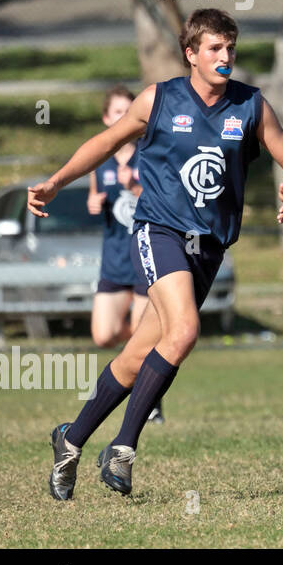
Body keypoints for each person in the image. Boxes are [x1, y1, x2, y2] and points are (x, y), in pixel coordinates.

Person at [35, 8, 283, 501]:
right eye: (215, 48)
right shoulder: (158, 99)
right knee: (183, 331)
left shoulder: (251, 105)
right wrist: (57, 181)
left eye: (230, 48)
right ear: (191, 54)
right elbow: (105, 142)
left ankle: (70, 438)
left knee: (137, 355)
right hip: (159, 230)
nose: (225, 56)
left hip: (209, 247)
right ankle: (122, 448)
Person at [86, 85, 163, 423]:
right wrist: (93, 203)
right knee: (104, 335)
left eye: (128, 110)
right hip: (114, 258)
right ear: (107, 118)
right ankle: (147, 365)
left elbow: (163, 202)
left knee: (141, 333)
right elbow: (94, 198)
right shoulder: (99, 158)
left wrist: (133, 186)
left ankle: (151, 401)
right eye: (117, 112)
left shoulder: (149, 153)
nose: (123, 117)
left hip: (146, 255)